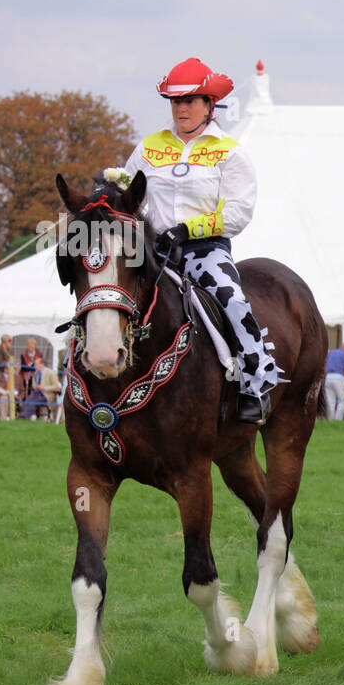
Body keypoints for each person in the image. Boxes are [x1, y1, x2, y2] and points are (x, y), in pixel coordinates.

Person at [123, 57, 278, 424]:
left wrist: (189, 229)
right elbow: (127, 196)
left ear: (210, 105)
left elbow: (238, 213)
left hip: (204, 253)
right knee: (105, 293)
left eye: (190, 101)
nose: (181, 109)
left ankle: (256, 383)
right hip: (153, 254)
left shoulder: (230, 151)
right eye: (176, 102)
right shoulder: (147, 149)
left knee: (233, 300)